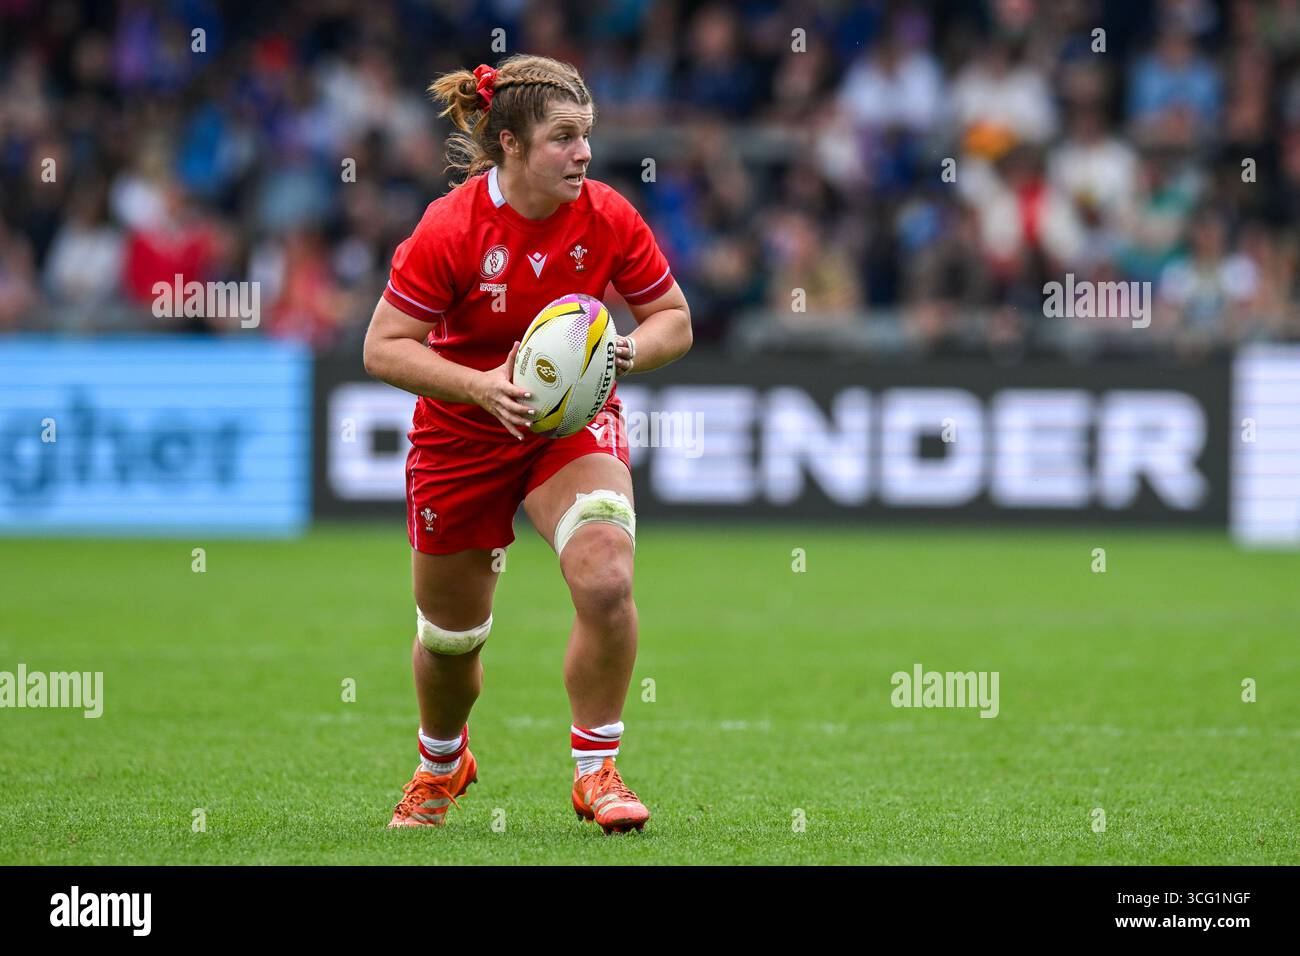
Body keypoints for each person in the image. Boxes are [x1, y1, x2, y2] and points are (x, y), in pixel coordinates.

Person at [362, 55, 692, 834]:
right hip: (461, 436)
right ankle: (442, 764)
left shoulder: (608, 215)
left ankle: (598, 771)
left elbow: (673, 318)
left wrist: (623, 354)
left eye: (587, 137)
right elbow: (382, 347)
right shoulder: (450, 228)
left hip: (567, 431)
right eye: (564, 139)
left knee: (606, 575)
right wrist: (478, 384)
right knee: (451, 642)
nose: (583, 153)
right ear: (509, 143)